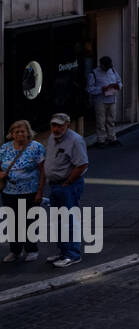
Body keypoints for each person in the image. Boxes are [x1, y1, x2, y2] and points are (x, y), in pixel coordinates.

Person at [44, 113, 88, 267]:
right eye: (53, 125)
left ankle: (72, 254)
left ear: (67, 125)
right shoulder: (52, 137)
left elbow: (82, 164)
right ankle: (63, 251)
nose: (56, 128)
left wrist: (68, 182)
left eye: (59, 125)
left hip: (68, 185)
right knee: (58, 220)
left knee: (69, 219)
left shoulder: (75, 140)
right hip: (55, 184)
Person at [0, 120, 46, 262]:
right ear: (12, 134)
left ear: (28, 133)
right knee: (13, 222)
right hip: (9, 191)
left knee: (29, 221)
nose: (20, 134)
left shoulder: (36, 147)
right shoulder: (5, 148)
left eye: (23, 131)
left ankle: (32, 249)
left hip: (30, 191)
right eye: (17, 132)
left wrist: (40, 191)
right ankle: (15, 251)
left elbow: (43, 171)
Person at [88, 55, 122, 147]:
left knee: (111, 119)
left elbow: (119, 81)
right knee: (101, 121)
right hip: (100, 100)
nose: (107, 69)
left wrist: (118, 86)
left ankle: (112, 138)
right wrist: (101, 89)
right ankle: (101, 140)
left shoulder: (113, 70)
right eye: (105, 67)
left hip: (112, 98)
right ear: (101, 65)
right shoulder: (94, 73)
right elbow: (90, 89)